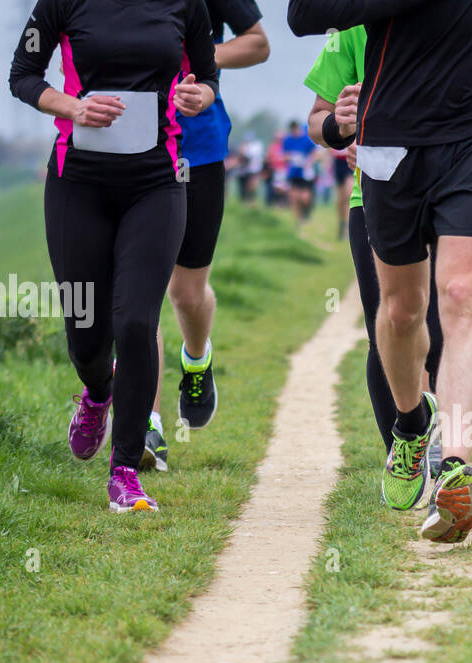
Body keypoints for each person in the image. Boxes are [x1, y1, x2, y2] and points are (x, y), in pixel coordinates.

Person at [289, 0, 472, 546]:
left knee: (462, 295)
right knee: (401, 311)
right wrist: (341, 127)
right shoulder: (352, 34)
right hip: (390, 144)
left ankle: (455, 464)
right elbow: (302, 14)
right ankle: (410, 424)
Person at [9, 0, 219, 513]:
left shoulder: (185, 4)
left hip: (157, 182)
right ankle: (97, 393)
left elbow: (209, 75)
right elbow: (23, 75)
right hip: (77, 183)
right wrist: (72, 107)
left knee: (134, 322)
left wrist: (199, 95)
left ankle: (125, 471)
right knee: (86, 334)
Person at [303, 25, 472, 458]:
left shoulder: (471, 12)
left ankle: (447, 452)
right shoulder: (354, 23)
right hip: (377, 188)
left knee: (450, 317)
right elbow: (318, 119)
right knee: (392, 322)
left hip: (455, 183)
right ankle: (405, 449)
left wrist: (460, 109)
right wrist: (342, 124)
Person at [145, 0, 270, 472]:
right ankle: (147, 423)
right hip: (131, 147)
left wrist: (200, 59)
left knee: (186, 291)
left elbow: (259, 43)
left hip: (197, 149)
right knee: (141, 290)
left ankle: (196, 360)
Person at [282, 119, 323, 228]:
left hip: (306, 173)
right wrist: (291, 157)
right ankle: (298, 220)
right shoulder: (287, 140)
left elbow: (316, 153)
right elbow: (284, 155)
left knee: (305, 198)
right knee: (294, 197)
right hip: (294, 173)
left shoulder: (306, 139)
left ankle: (306, 213)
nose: (294, 131)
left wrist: (308, 162)